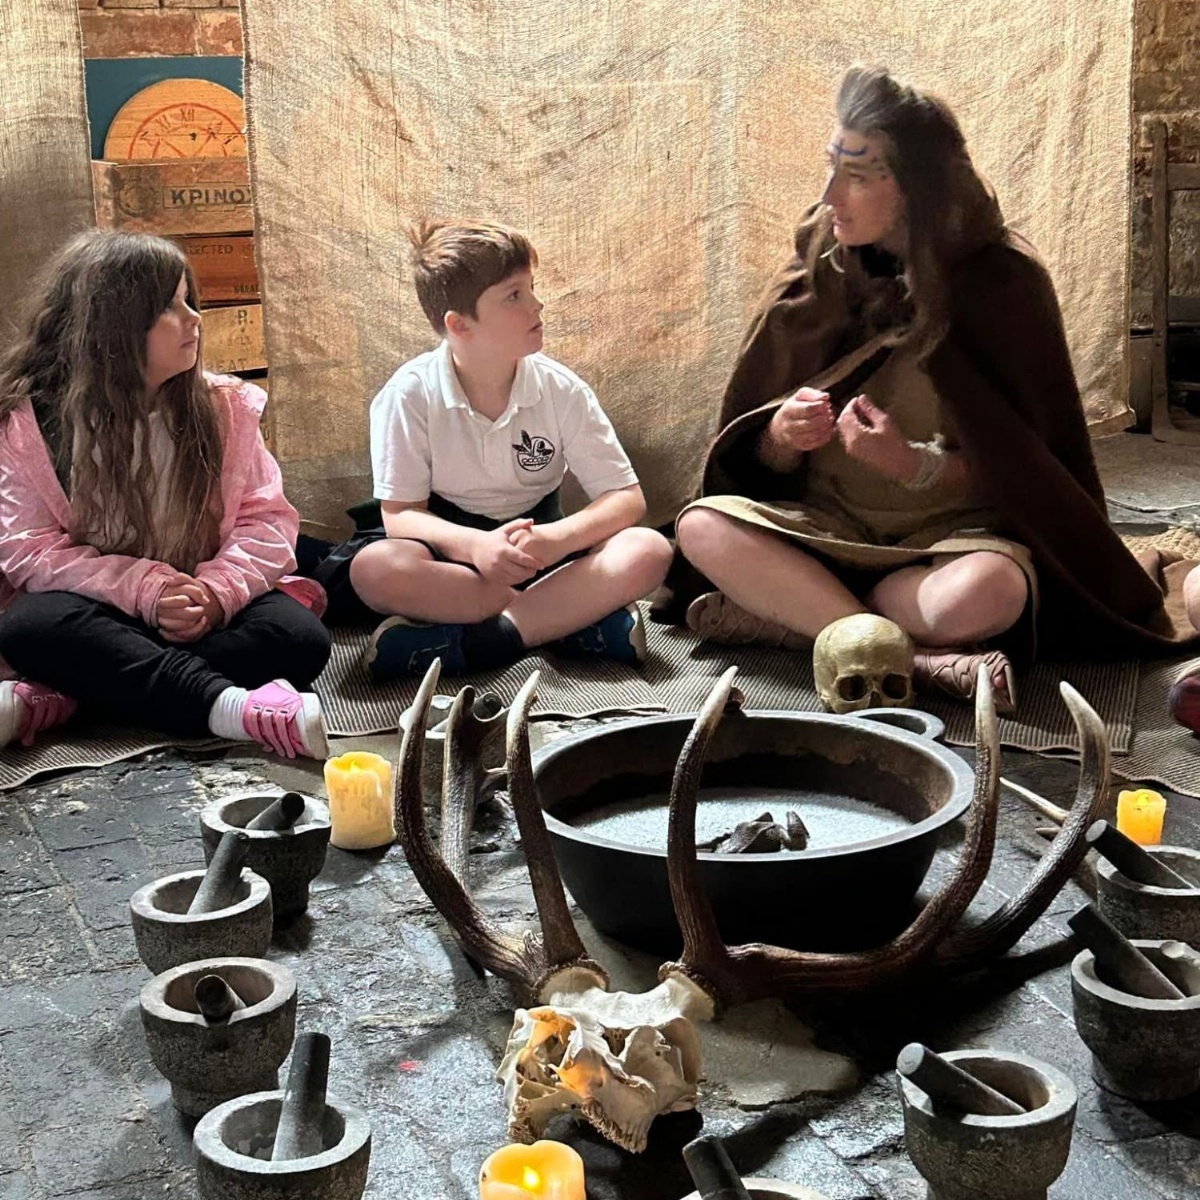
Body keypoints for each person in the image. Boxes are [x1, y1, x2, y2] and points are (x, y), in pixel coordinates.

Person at [660, 65, 1199, 712]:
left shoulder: (1001, 284)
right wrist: (779, 437)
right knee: (701, 528)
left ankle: (796, 620)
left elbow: (1025, 474)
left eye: (857, 176)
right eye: (831, 168)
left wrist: (911, 466)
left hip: (944, 548)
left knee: (993, 592)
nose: (832, 194)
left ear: (916, 188)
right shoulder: (823, 259)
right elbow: (755, 448)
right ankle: (915, 660)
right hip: (822, 531)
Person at [0, 231, 331, 758]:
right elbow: (29, 549)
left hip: (199, 613)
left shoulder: (227, 408)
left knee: (298, 637)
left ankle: (68, 695)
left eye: (189, 301)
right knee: (29, 626)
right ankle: (232, 710)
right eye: (170, 308)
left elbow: (265, 521)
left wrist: (214, 594)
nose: (194, 319)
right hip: (98, 610)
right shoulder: (33, 423)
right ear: (112, 329)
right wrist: (146, 590)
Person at [347, 220, 672, 680]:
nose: (537, 305)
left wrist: (556, 540)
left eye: (532, 289)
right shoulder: (409, 394)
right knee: (374, 569)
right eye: (514, 295)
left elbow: (626, 498)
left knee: (648, 549)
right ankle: (566, 622)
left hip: (544, 556)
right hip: (460, 564)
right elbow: (401, 514)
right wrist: (477, 547)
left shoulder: (561, 390)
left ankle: (483, 643)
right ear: (459, 325)